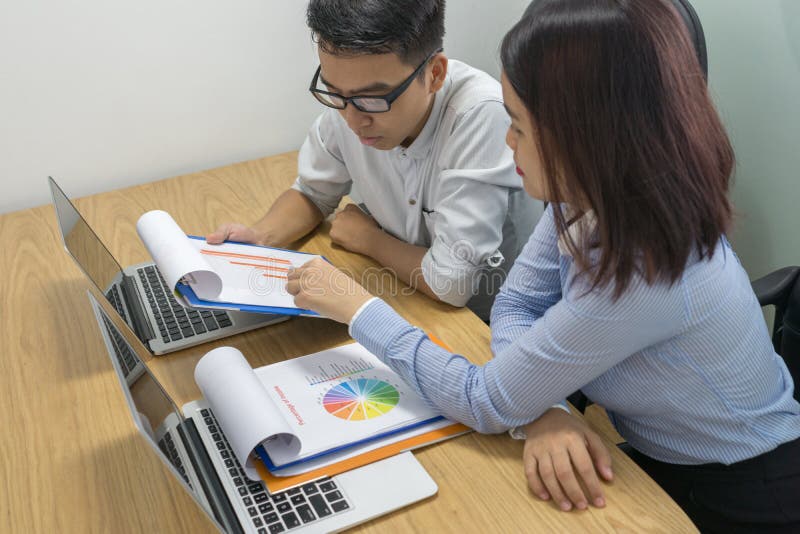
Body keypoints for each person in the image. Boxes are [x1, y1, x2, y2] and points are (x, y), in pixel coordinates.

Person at [284, 0, 800, 531]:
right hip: (660, 455)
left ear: (587, 137)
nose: (508, 145)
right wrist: (540, 405)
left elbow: (481, 399)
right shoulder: (586, 194)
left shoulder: (647, 269)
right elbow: (518, 302)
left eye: (519, 127)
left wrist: (358, 307)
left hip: (746, 492)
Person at [207, 0, 542, 321]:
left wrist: (369, 239)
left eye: (373, 99)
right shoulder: (351, 101)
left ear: (436, 74)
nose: (353, 120)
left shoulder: (481, 115)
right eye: (334, 91)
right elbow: (313, 193)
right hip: (401, 293)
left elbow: (450, 283)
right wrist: (260, 238)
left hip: (479, 324)